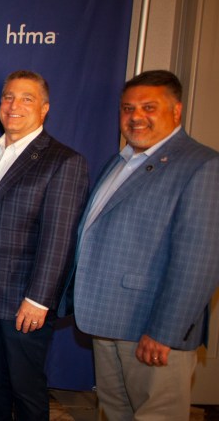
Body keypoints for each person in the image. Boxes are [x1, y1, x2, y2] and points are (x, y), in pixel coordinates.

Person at [66, 70, 219, 419]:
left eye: (149, 107)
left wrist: (164, 332)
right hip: (108, 320)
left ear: (176, 111)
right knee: (115, 413)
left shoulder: (202, 166)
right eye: (128, 108)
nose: (136, 116)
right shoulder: (122, 160)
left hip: (151, 329)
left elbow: (200, 260)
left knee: (157, 415)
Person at [0, 70, 88, 420]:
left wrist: (38, 299)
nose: (14, 105)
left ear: (44, 108)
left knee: (27, 390)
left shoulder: (63, 161)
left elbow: (59, 238)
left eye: (26, 98)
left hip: (22, 302)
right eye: (8, 97)